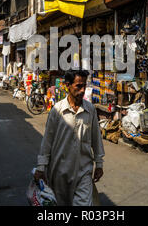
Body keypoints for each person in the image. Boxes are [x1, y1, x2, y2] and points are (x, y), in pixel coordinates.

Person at [34, 70, 105, 206]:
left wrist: (99, 164)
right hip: (59, 171)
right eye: (78, 86)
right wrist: (41, 166)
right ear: (68, 85)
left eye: (84, 86)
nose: (82, 90)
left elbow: (96, 139)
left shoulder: (90, 110)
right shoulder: (57, 110)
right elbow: (47, 141)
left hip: (84, 171)